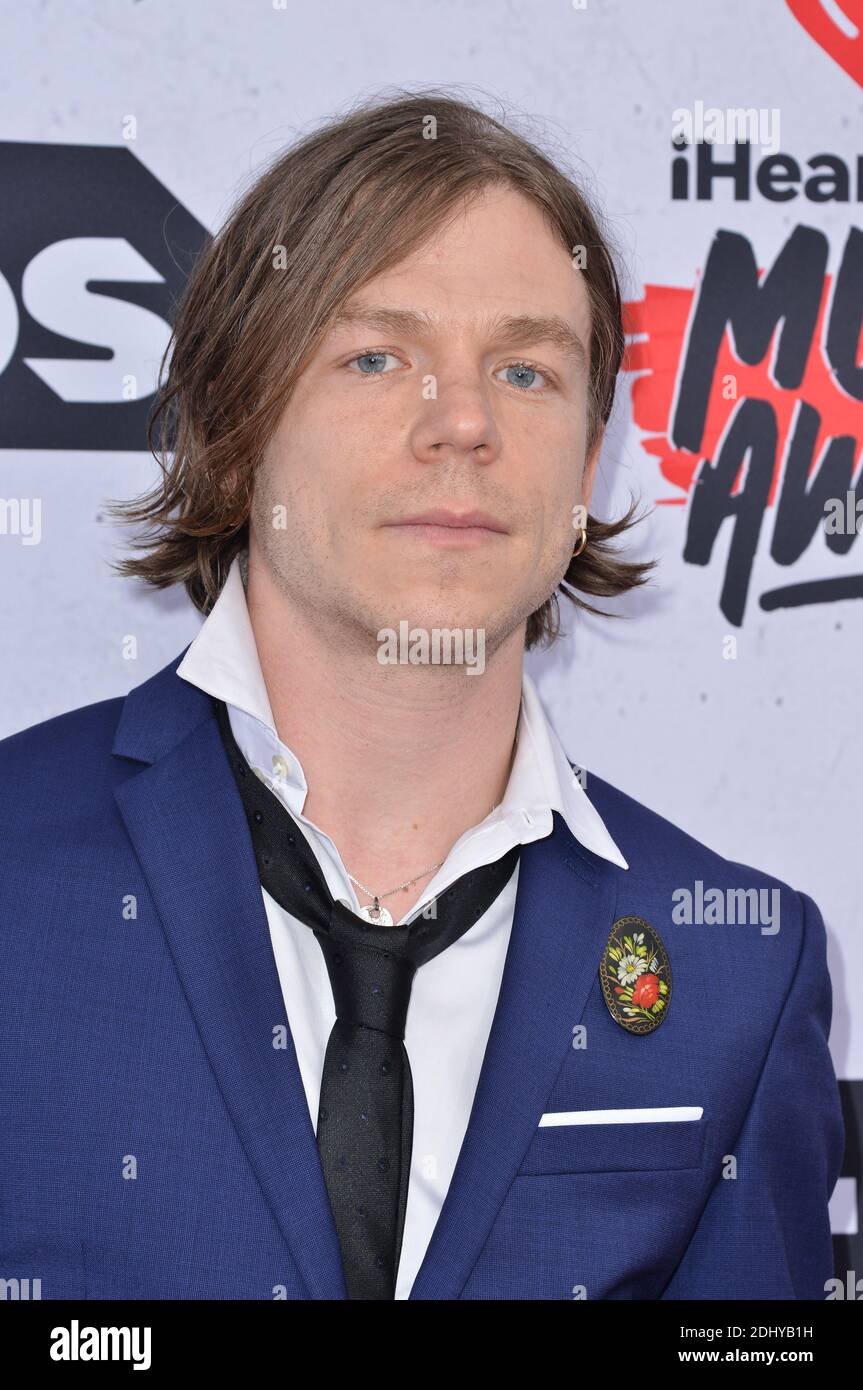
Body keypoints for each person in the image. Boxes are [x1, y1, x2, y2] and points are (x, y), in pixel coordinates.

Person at [0, 90, 843, 1301]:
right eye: (377, 356)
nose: (462, 423)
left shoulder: (736, 973)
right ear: (235, 429)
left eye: (524, 368)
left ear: (588, 450)